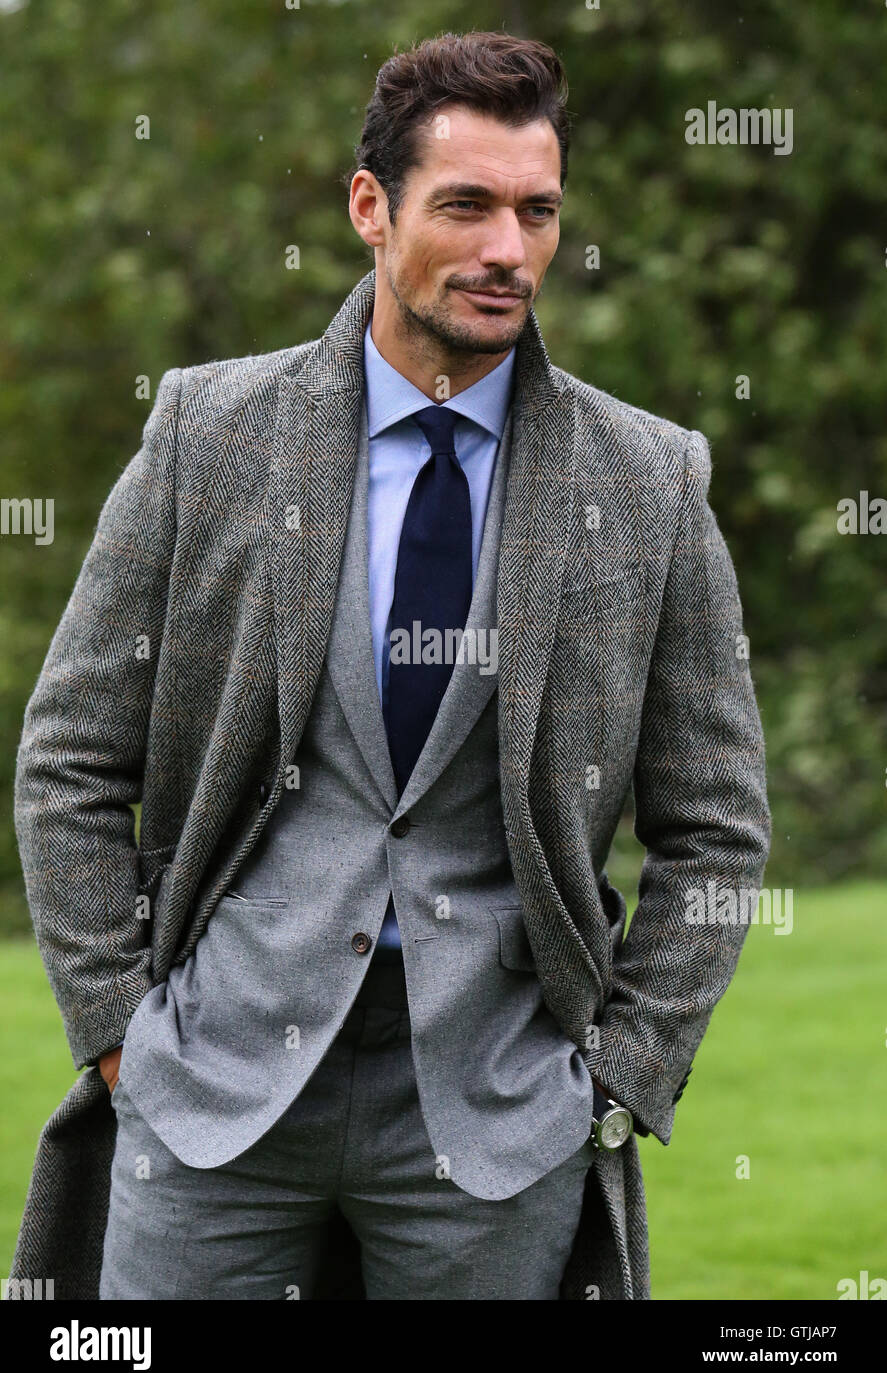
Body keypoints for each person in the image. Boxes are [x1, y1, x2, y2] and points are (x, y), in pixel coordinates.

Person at [10, 31, 770, 1301]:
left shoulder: (647, 480)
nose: (507, 250)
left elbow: (716, 826)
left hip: (498, 1118)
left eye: (537, 212)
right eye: (465, 205)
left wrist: (623, 1070)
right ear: (369, 207)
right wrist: (117, 1031)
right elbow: (70, 755)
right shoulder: (211, 433)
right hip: (213, 1099)